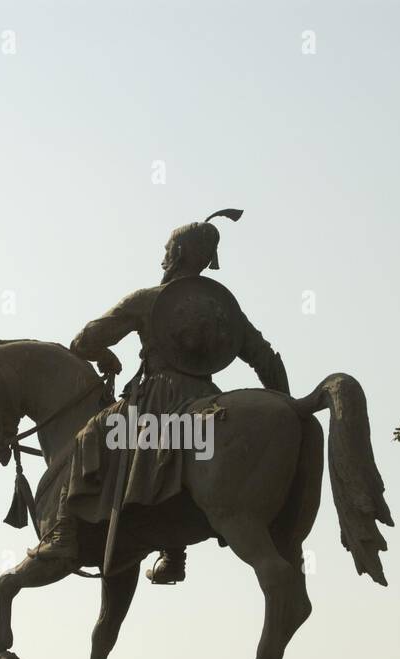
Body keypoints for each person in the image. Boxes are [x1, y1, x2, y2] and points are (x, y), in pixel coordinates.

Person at [33, 209, 289, 584]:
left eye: (167, 250)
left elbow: (84, 342)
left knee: (93, 433)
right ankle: (173, 553)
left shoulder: (148, 299)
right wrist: (283, 404)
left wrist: (106, 357)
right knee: (184, 459)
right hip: (204, 398)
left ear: (181, 254)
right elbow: (265, 359)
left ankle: (62, 532)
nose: (163, 258)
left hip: (156, 398)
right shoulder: (223, 309)